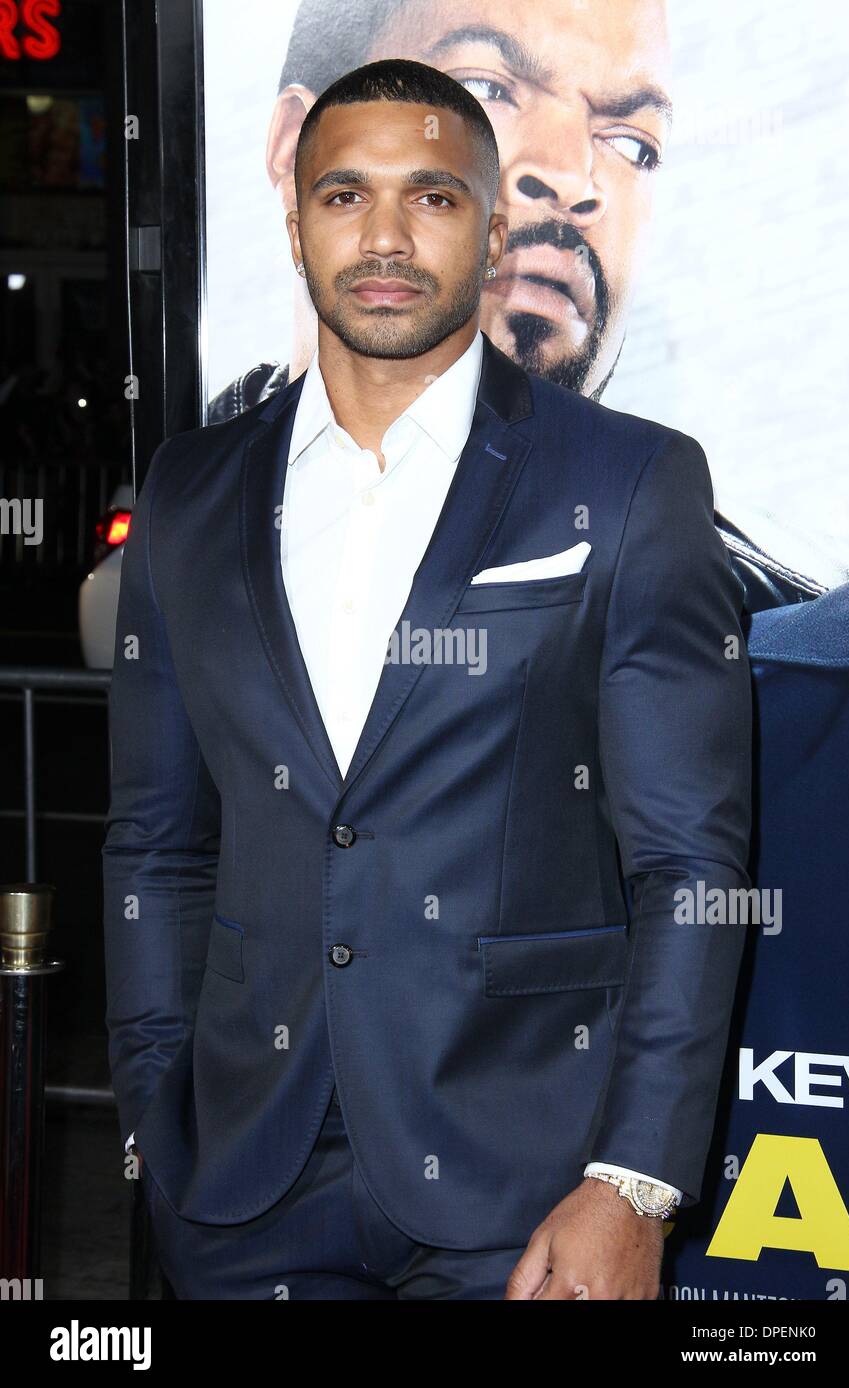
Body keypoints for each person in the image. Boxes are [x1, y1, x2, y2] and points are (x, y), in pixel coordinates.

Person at [104, 58, 752, 1300]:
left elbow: (688, 868)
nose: (387, 237)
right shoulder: (190, 490)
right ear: (293, 223)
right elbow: (155, 842)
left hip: (526, 1191)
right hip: (243, 1183)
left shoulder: (625, 483)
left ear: (494, 222)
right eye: (345, 195)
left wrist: (633, 1184)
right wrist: (155, 1100)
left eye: (435, 197)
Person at [207, 0, 826, 612]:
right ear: (296, 151)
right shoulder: (183, 513)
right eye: (485, 87)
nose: (571, 177)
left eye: (633, 144)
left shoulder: (762, 633)